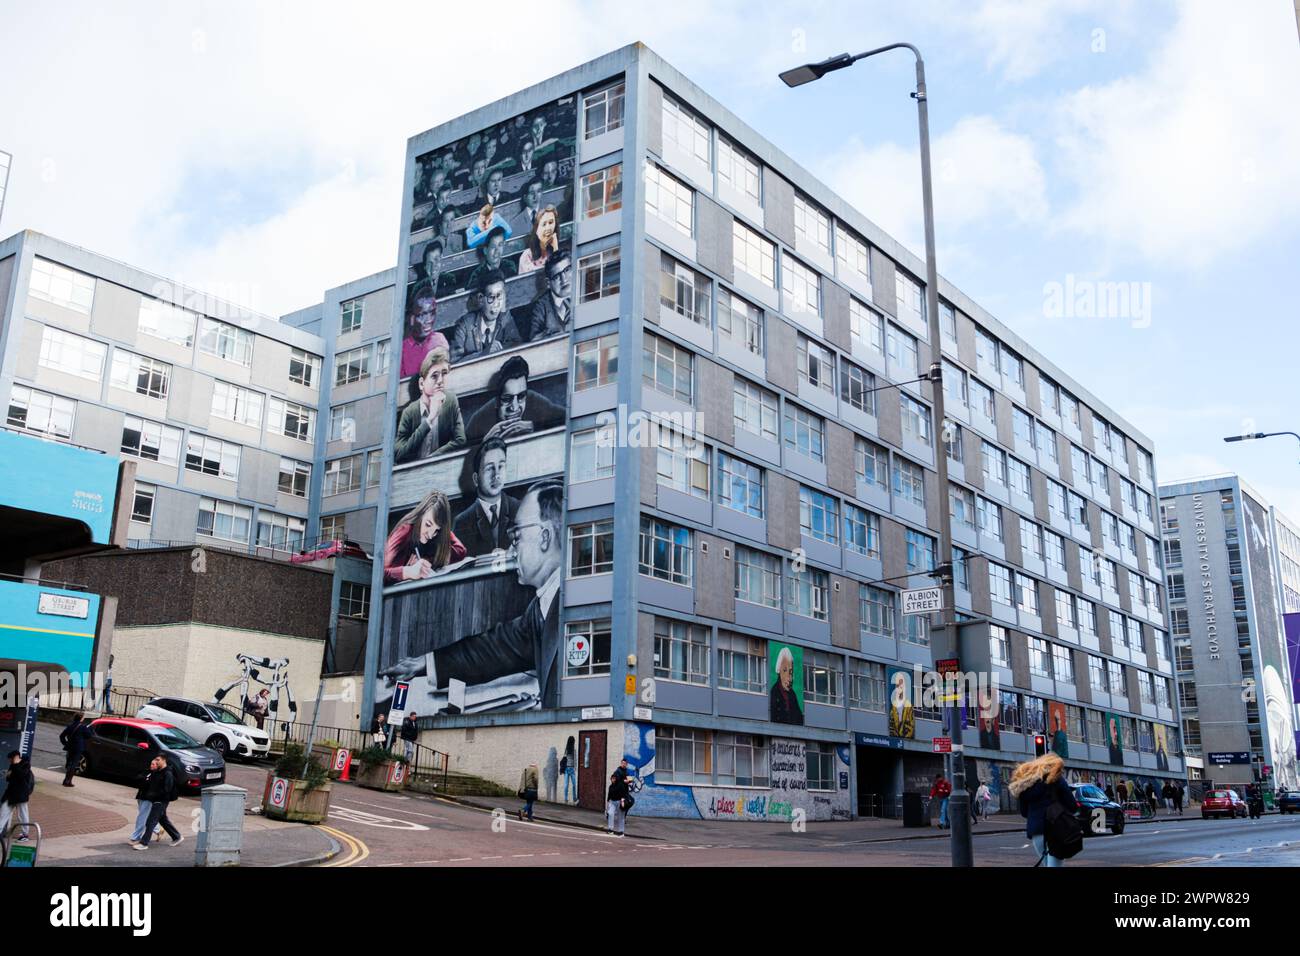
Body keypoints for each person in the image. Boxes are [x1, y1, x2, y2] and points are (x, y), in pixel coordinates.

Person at [378, 481, 565, 707]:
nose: (512, 550)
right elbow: (493, 649)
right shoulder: (541, 607)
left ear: (544, 538)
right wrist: (426, 663)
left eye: (516, 537)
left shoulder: (572, 604)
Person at [464, 355, 565, 445]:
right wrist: (485, 443)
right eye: (507, 399)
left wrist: (533, 426)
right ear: (496, 401)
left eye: (521, 397)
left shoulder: (534, 401)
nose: (515, 407)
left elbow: (567, 416)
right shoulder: (479, 420)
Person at [394, 348, 467, 464]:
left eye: (444, 374)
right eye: (434, 376)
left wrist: (433, 458)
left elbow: (460, 440)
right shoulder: (410, 412)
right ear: (422, 384)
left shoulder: (451, 401)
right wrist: (429, 420)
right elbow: (398, 454)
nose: (440, 381)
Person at [1011, 752, 1079, 868]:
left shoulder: (1026, 784)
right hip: (1056, 828)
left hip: (1037, 831)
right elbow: (1072, 805)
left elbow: (1024, 812)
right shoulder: (1056, 779)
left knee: (1048, 864)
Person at [384, 490, 468, 583]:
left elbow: (460, 550)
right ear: (420, 515)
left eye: (437, 530)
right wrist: (408, 571)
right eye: (428, 524)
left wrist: (426, 561)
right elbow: (378, 573)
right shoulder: (405, 530)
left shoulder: (437, 533)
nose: (430, 535)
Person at [452, 438, 517, 557]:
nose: (496, 475)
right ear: (476, 479)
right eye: (489, 468)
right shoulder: (462, 522)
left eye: (501, 466)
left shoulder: (519, 509)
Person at [449, 272, 521, 362]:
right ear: (481, 299)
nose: (496, 304)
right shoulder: (465, 325)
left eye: (499, 296)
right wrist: (483, 354)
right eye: (491, 297)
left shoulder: (505, 318)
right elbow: (454, 362)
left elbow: (517, 345)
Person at [401, 281, 451, 378]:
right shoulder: (402, 348)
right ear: (411, 318)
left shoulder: (439, 340)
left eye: (432, 313)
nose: (429, 320)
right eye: (422, 315)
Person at [133, 755, 183, 850]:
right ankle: (177, 837)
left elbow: (167, 789)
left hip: (161, 800)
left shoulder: (168, 773)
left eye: (158, 760)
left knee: (150, 821)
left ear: (164, 760)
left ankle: (144, 843)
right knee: (163, 820)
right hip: (156, 800)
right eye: (155, 759)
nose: (156, 761)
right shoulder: (158, 772)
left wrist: (154, 795)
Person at [524, 249, 573, 341]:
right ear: (548, 283)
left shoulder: (584, 291)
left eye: (566, 270)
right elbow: (533, 340)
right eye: (557, 276)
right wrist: (547, 334)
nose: (563, 279)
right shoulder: (540, 306)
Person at [0, 751, 34, 842]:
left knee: (22, 815)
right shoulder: (12, 765)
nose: (10, 761)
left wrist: (15, 765)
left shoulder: (26, 764)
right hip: (10, 794)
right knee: (3, 812)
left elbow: (21, 775)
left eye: (11, 759)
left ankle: (25, 834)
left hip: (21, 795)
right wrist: (10, 772)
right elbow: (9, 778)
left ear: (16, 757)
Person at [517, 204, 560, 274]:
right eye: (544, 224)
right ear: (537, 230)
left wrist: (555, 250)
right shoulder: (526, 256)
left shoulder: (560, 251)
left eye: (551, 222)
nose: (548, 228)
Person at [769, 647, 804, 725]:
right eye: (784, 671)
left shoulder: (792, 695)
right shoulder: (774, 693)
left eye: (790, 672)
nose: (789, 678)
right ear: (778, 670)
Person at [59, 714, 91, 787]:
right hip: (78, 748)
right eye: (83, 718)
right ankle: (68, 781)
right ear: (81, 719)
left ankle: (66, 780)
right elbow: (89, 735)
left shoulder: (70, 726)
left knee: (69, 763)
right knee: (73, 764)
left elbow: (62, 736)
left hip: (70, 747)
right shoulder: (83, 727)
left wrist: (65, 743)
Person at [606, 771, 629, 837]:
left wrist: (622, 800)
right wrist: (607, 804)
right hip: (612, 802)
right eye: (612, 778)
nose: (613, 780)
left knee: (621, 817)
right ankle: (610, 829)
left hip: (620, 801)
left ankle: (621, 831)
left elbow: (624, 793)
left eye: (614, 778)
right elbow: (609, 795)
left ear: (616, 779)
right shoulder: (610, 786)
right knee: (610, 813)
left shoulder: (620, 785)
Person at [562, 736, 577, 804]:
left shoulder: (572, 750)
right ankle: (567, 798)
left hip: (570, 768)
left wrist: (575, 768)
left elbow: (575, 760)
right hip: (568, 768)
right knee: (570, 785)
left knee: (570, 784)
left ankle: (572, 798)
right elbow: (574, 760)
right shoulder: (567, 750)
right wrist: (575, 768)